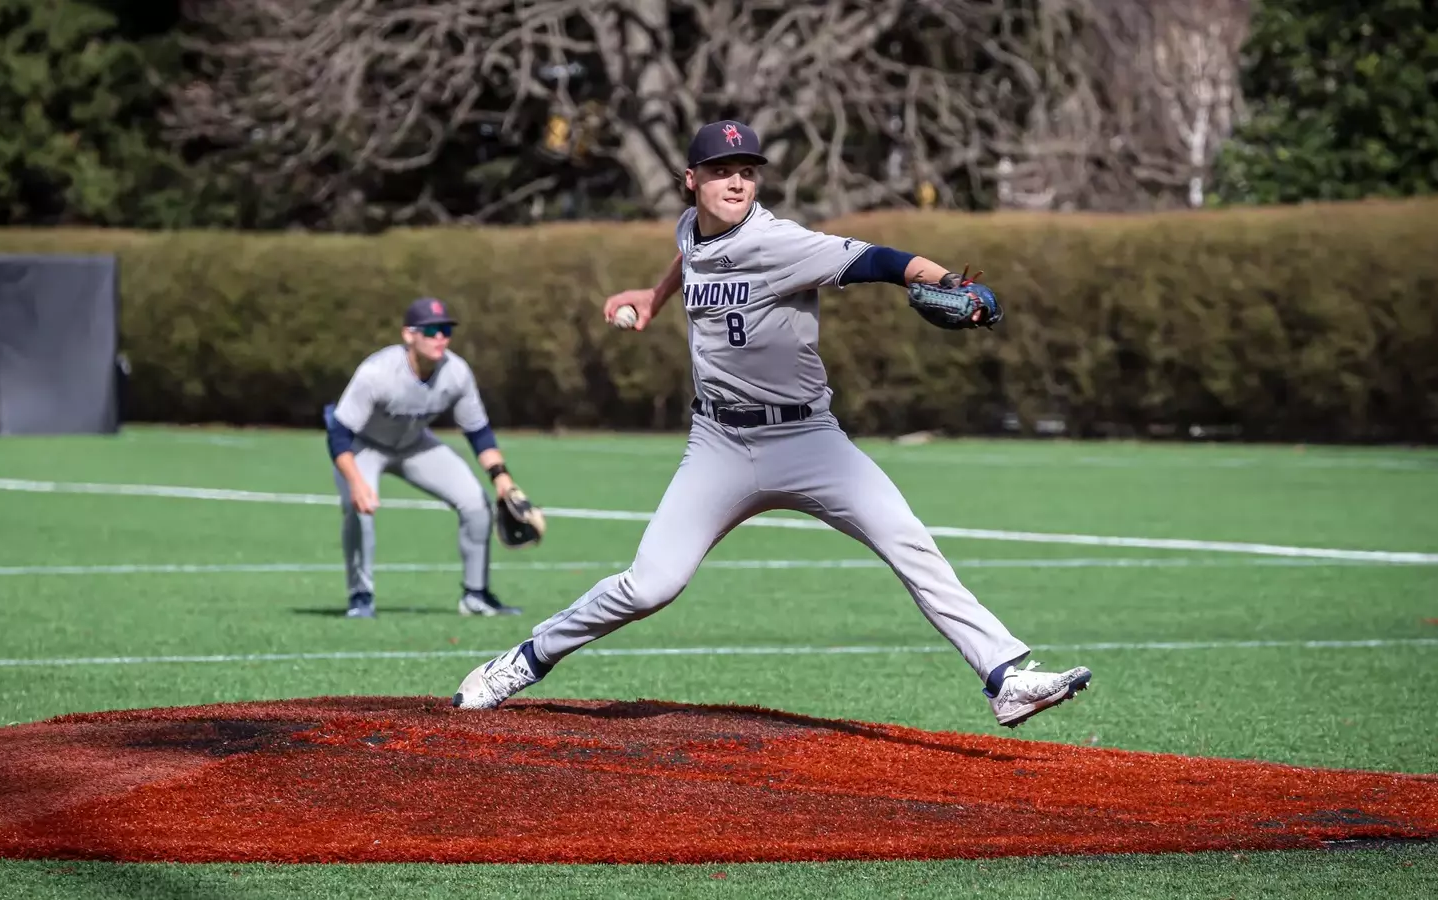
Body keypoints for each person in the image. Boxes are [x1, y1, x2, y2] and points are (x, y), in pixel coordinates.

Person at [453, 120, 1090, 727]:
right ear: (691, 180)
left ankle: (1006, 676)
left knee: (906, 538)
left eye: (747, 172)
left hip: (809, 441)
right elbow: (690, 257)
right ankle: (524, 660)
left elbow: (879, 259)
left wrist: (948, 279)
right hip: (719, 444)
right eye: (721, 170)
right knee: (651, 586)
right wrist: (651, 299)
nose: (736, 182)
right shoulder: (691, 229)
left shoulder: (779, 242)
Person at [324, 297, 524, 618]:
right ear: (409, 335)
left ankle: (476, 595)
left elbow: (478, 432)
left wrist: (501, 477)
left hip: (415, 444)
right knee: (358, 507)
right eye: (431, 330)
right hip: (364, 446)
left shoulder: (456, 372)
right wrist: (356, 483)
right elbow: (338, 434)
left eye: (446, 330)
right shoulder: (377, 373)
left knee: (476, 503)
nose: (440, 338)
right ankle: (361, 597)